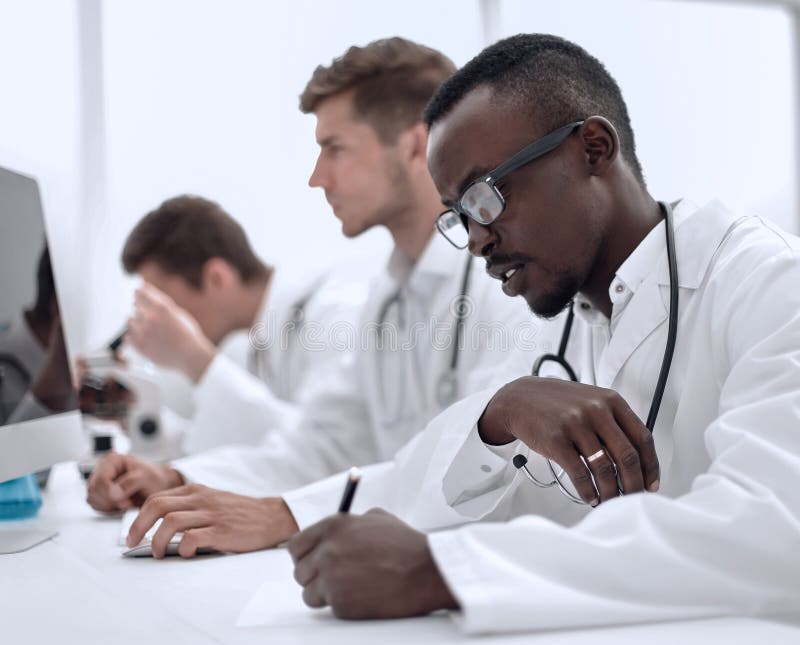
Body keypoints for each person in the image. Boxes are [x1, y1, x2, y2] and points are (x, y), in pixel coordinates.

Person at [283, 34, 800, 631]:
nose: (475, 240)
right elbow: (433, 479)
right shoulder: (556, 330)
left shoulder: (771, 285)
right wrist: (498, 414)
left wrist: (441, 573)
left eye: (484, 198)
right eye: (457, 215)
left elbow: (775, 533)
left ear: (592, 149)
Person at [87, 38, 558, 553]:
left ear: (414, 147)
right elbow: (318, 451)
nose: (317, 178)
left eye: (335, 149)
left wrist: (284, 515)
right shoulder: (386, 298)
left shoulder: (508, 287)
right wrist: (176, 479)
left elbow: (491, 483)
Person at [104, 195, 364, 457]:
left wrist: (195, 359)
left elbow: (320, 455)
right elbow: (240, 449)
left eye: (164, 303)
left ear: (216, 277)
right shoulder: (252, 344)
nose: (159, 319)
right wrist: (131, 409)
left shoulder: (334, 318)